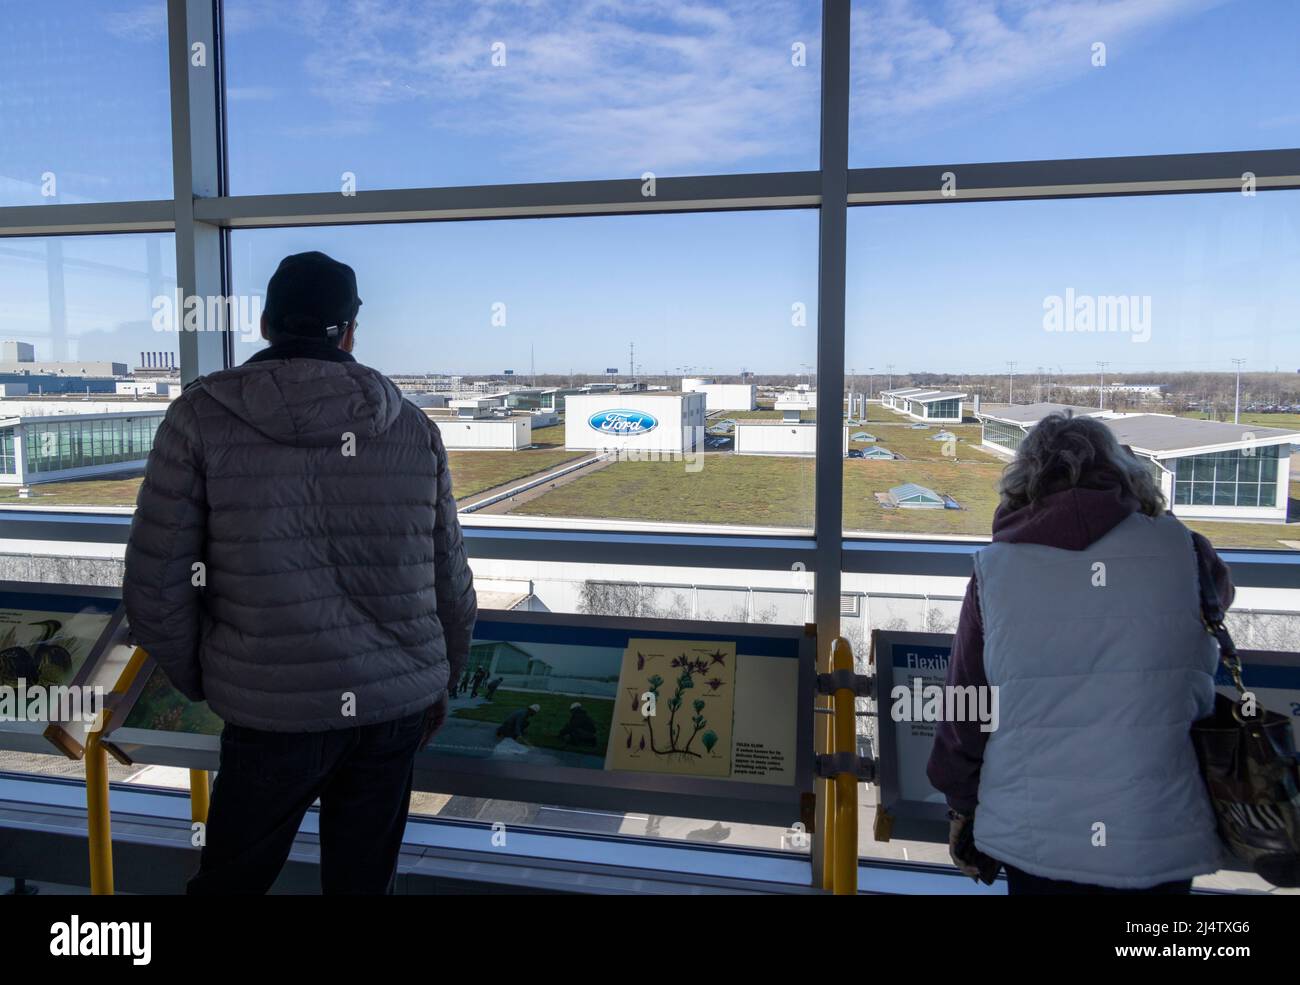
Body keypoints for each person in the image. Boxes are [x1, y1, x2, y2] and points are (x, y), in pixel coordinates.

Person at [124, 251, 477, 895]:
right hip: (391, 706)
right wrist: (440, 676)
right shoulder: (412, 425)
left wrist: (210, 678)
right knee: (363, 885)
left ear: (264, 323)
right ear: (349, 332)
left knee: (230, 882)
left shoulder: (200, 417)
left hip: (268, 712)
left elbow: (156, 588)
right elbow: (448, 576)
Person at [927, 413, 1230, 895]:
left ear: (1023, 481)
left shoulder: (995, 573)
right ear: (1124, 473)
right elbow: (1214, 601)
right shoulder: (1187, 552)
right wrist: (1154, 519)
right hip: (1159, 833)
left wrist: (961, 801)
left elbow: (966, 709)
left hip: (1037, 839)